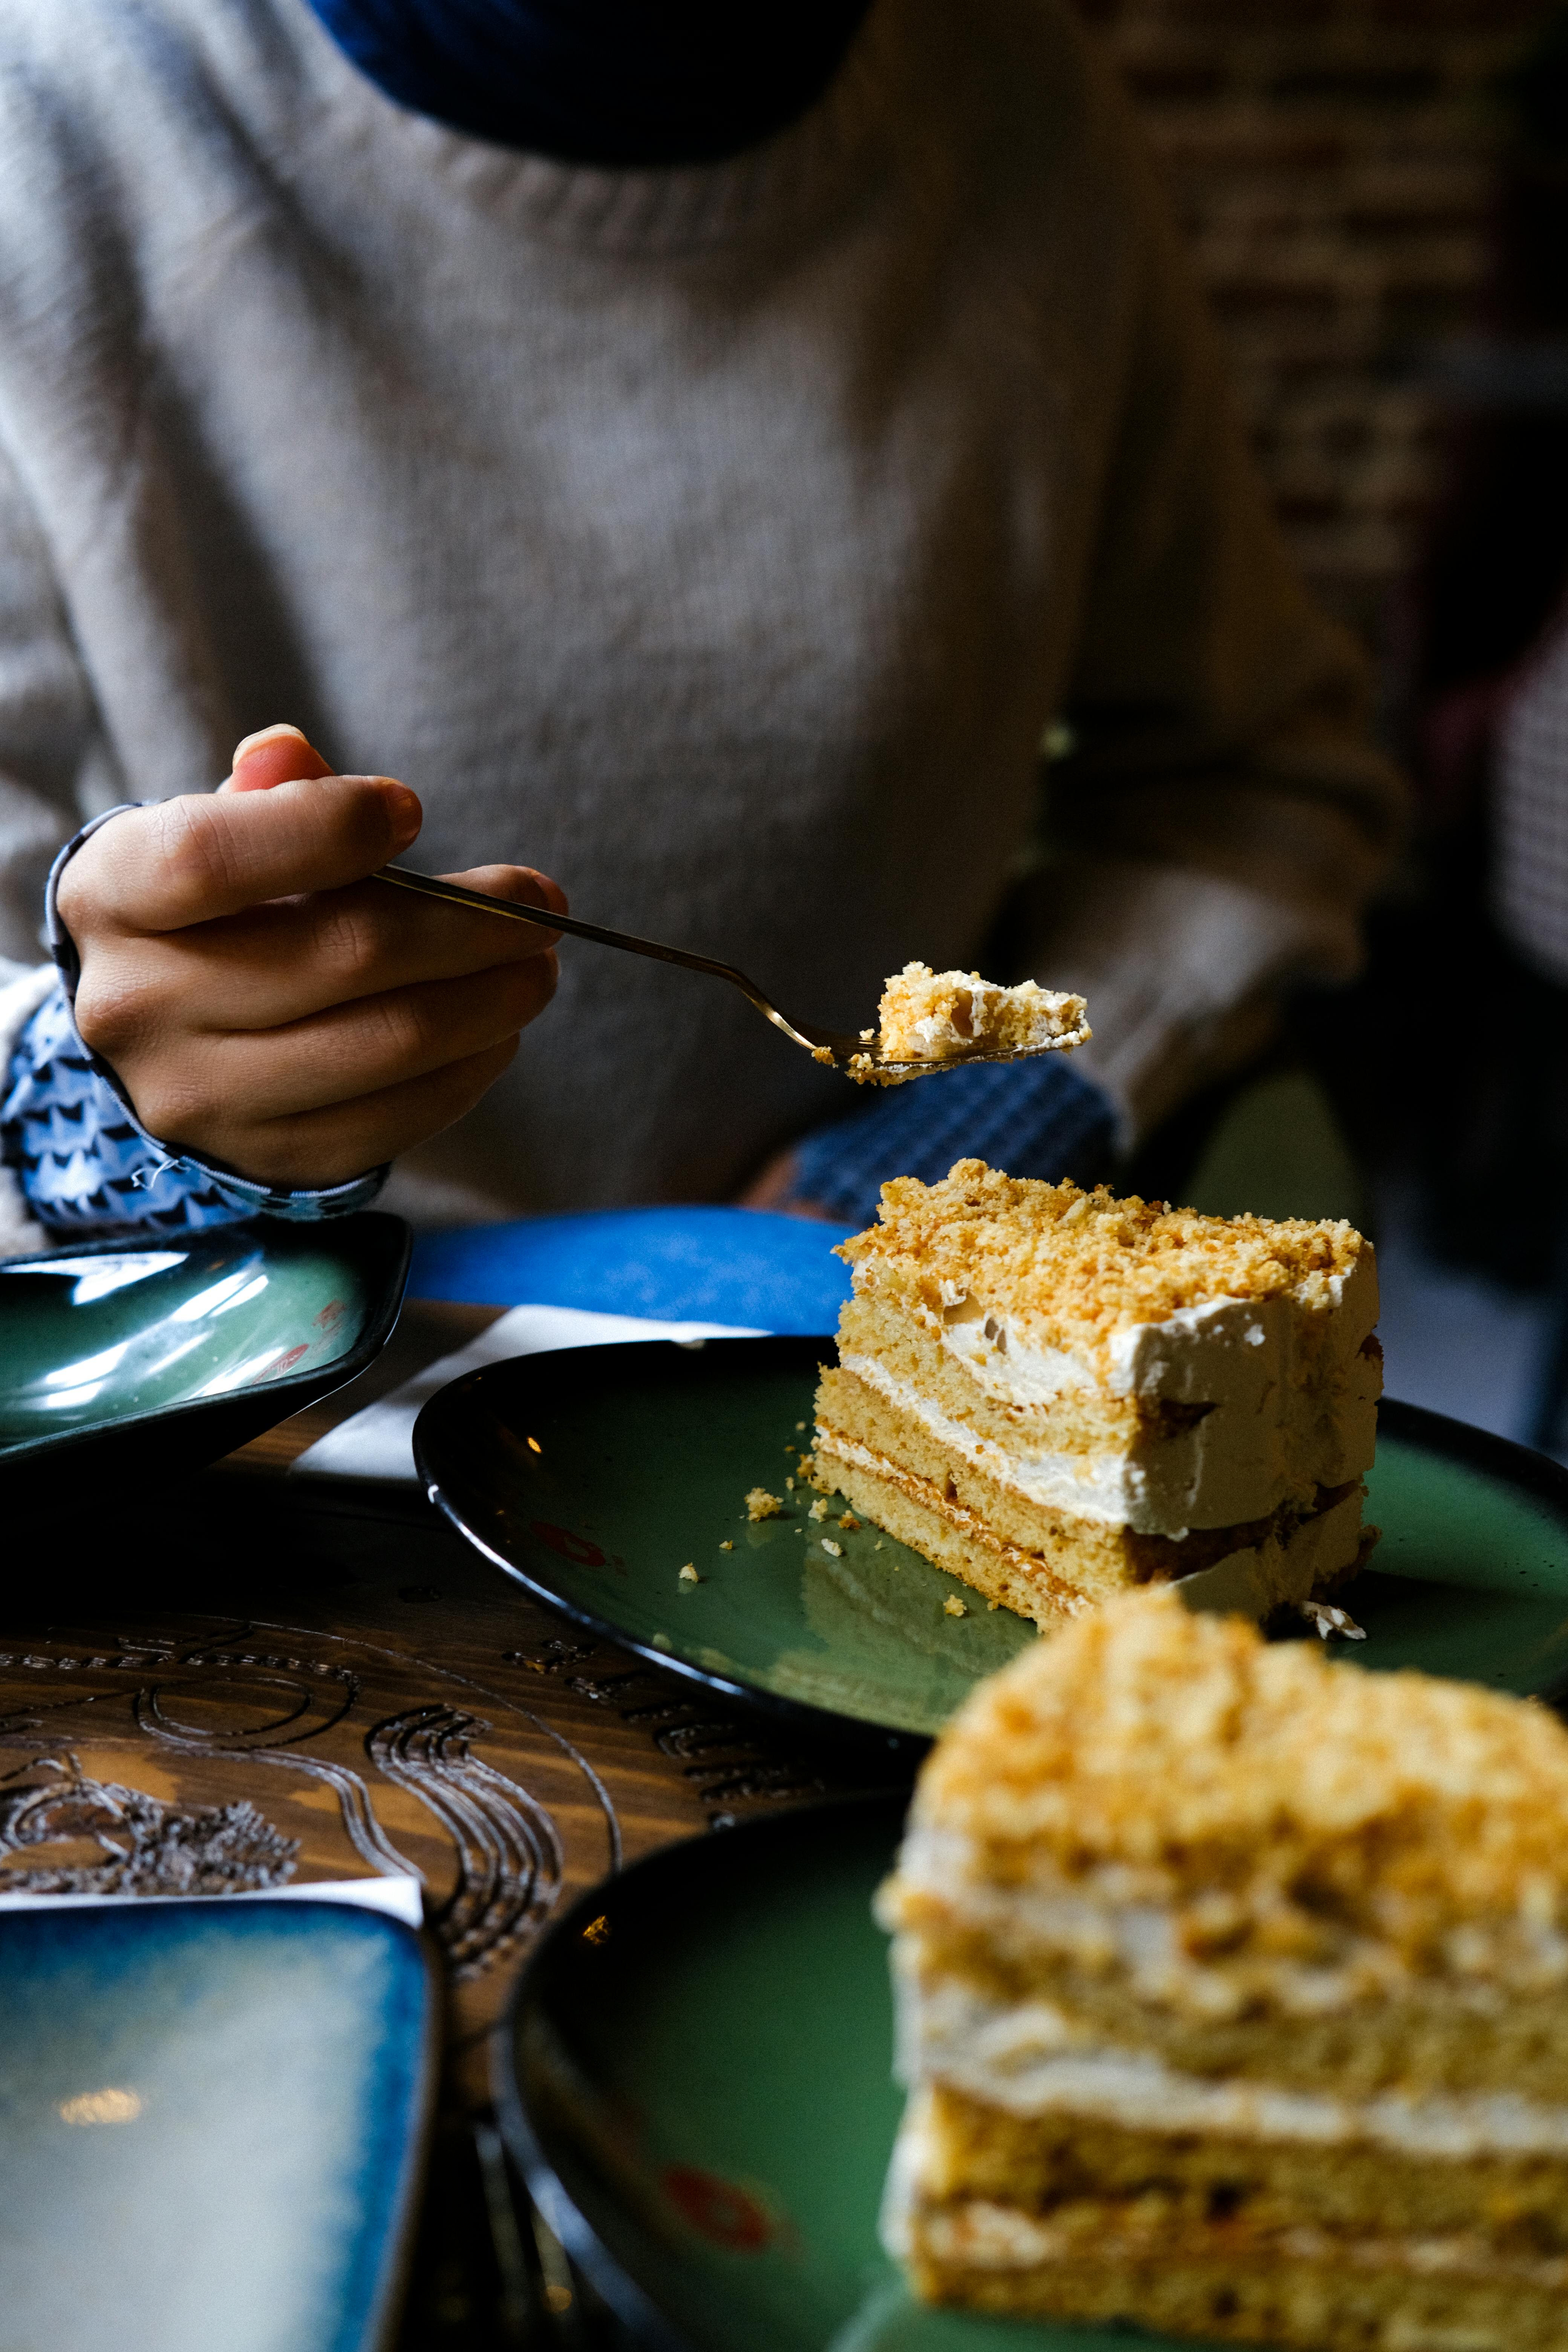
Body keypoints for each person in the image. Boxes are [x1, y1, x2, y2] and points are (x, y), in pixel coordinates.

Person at [0, 0, 1403, 1259]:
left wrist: (1023, 1094)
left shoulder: (1024, 111)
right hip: (272, 1398)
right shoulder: (51, 121)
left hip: (838, 1353)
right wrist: (87, 1113)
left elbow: (1254, 781)